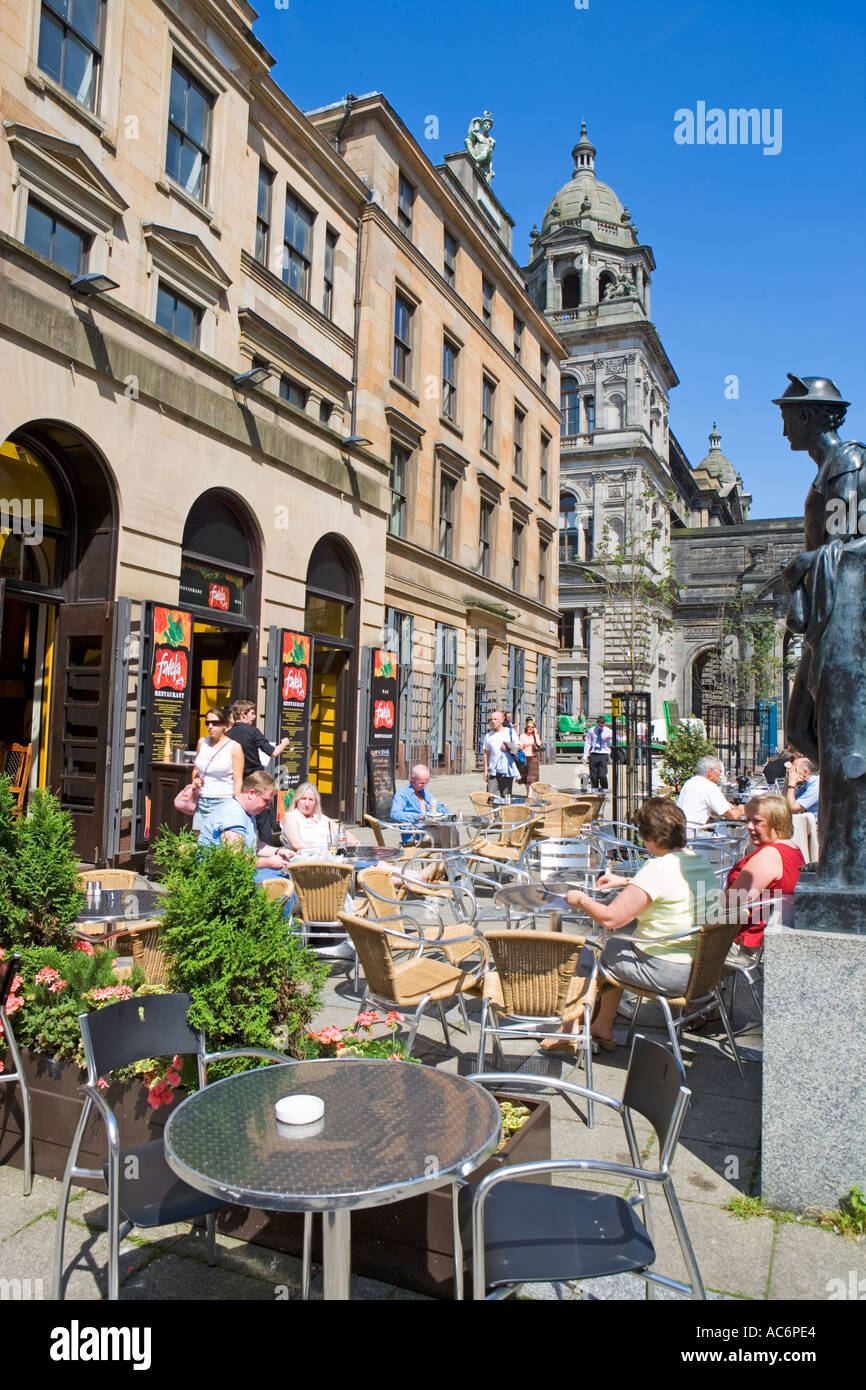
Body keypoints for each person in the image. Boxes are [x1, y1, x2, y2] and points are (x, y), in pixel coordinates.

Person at [542, 799, 719, 1052]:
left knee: (589, 952)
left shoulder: (657, 868)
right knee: (614, 947)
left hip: (666, 971)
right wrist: (626, 882)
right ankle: (602, 1026)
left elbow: (611, 918)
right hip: (700, 969)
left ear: (650, 837)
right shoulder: (697, 860)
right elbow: (671, 887)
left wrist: (581, 900)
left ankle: (567, 1030)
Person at [723, 794, 804, 952]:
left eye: (757, 821)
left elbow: (732, 902)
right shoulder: (792, 848)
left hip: (743, 942)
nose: (749, 827)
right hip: (768, 938)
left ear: (778, 824)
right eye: (748, 820)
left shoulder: (770, 855)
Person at [197, 770, 293, 884]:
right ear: (251, 793)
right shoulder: (233, 815)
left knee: (288, 876)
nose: (267, 807)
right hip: (220, 879)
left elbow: (255, 846)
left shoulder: (247, 812)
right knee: (283, 884)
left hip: (237, 873)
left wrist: (278, 851)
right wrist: (268, 863)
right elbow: (235, 859)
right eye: (266, 801)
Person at [226, 699, 290, 841]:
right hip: (256, 781)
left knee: (240, 816)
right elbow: (273, 752)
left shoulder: (227, 735)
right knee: (263, 819)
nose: (255, 717)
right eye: (252, 713)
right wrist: (285, 743)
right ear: (243, 714)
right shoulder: (253, 732)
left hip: (236, 783)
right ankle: (267, 849)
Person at [191, 707, 244, 831]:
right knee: (201, 843)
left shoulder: (234, 747)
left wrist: (236, 805)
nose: (210, 726)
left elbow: (238, 780)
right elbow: (196, 769)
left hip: (224, 800)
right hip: (202, 800)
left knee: (221, 843)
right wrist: (195, 780)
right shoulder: (202, 742)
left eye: (215, 723)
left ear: (225, 725)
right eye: (207, 723)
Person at [280, 781, 358, 855]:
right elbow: (297, 845)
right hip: (307, 861)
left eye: (311, 800)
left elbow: (341, 832)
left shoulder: (320, 817)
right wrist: (325, 852)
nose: (307, 804)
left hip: (331, 858)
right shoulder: (291, 817)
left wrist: (357, 844)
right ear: (296, 800)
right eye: (303, 799)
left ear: (316, 803)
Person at [676, 755, 747, 833]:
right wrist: (743, 808)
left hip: (679, 831)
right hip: (693, 834)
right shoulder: (709, 786)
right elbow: (733, 815)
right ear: (710, 771)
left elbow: (701, 807)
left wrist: (724, 807)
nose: (720, 775)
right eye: (720, 771)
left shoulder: (690, 782)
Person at [390, 764, 450, 837]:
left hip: (430, 827)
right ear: (412, 778)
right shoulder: (402, 794)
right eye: (421, 783)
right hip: (415, 831)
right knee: (446, 833)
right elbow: (395, 814)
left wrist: (449, 814)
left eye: (426, 783)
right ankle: (452, 848)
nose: (424, 786)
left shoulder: (425, 792)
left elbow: (437, 806)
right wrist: (417, 816)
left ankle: (454, 848)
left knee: (452, 829)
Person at [482, 709, 520, 798]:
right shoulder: (488, 736)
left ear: (502, 720)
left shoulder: (510, 732)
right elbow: (486, 754)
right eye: (491, 719)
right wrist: (485, 771)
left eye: (495, 719)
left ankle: (504, 812)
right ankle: (495, 812)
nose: (492, 721)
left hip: (506, 770)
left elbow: (519, 747)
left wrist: (508, 748)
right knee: (491, 797)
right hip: (493, 771)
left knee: (506, 797)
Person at [583, 715, 612, 791]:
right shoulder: (591, 730)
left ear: (604, 724)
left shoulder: (608, 731)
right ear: (597, 723)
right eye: (599, 725)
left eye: (602, 725)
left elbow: (618, 738)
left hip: (604, 754)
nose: (600, 727)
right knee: (593, 775)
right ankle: (595, 790)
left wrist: (608, 737)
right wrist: (585, 755)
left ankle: (604, 788)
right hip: (594, 754)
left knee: (602, 774)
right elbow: (588, 742)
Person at [518, 717, 544, 788]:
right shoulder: (522, 736)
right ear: (526, 727)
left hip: (533, 758)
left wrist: (535, 733)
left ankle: (530, 795)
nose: (530, 728)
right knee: (526, 779)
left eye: (532, 727)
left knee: (532, 779)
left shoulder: (535, 736)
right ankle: (528, 794)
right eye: (529, 727)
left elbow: (539, 744)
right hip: (525, 758)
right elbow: (520, 746)